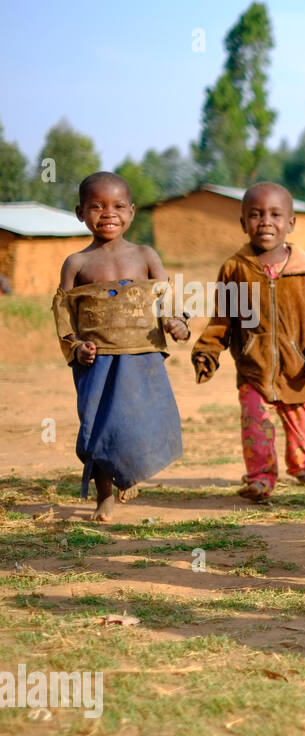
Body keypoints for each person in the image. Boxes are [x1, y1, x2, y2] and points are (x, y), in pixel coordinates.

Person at [192, 182, 305, 502]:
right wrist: (208, 351)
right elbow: (222, 317)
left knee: (300, 425)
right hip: (253, 367)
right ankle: (260, 478)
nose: (266, 222)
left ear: (291, 222)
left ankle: (301, 467)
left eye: (275, 214)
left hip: (298, 365)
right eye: (256, 215)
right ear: (243, 223)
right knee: (255, 424)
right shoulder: (234, 268)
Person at [53, 172, 186, 521]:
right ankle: (104, 496)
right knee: (99, 428)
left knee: (137, 421)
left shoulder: (145, 255)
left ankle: (130, 472)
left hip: (141, 355)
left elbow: (167, 296)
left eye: (117, 206)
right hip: (97, 361)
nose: (107, 213)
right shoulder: (77, 263)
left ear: (131, 211)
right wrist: (76, 346)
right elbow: (63, 313)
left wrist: (177, 323)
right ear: (80, 212)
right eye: (96, 206)